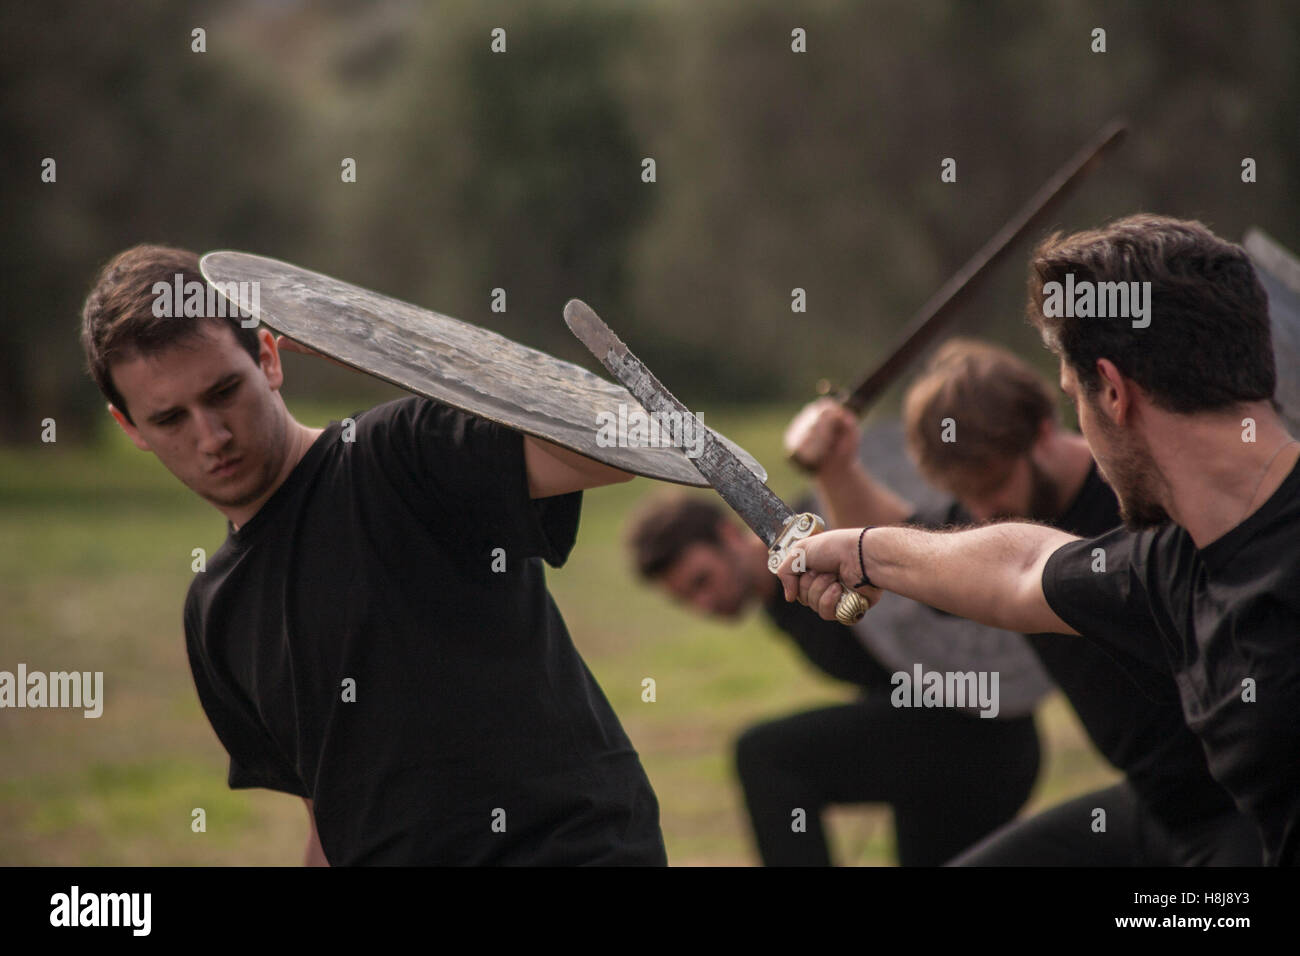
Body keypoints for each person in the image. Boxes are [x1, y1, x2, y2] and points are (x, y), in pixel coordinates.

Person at [79, 244, 665, 865]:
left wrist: (392, 346)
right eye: (170, 419)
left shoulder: (400, 456)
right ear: (131, 429)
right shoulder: (214, 610)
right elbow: (328, 816)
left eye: (224, 391)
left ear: (270, 359)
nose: (211, 436)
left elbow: (621, 446)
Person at [778, 215, 1296, 865]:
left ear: (1111, 391)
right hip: (1160, 809)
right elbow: (1018, 566)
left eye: (1073, 394)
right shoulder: (1171, 559)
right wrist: (860, 545)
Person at [626, 493, 1042, 866]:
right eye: (687, 599)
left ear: (728, 535)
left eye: (702, 580)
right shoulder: (777, 598)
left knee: (766, 757)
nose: (705, 605)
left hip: (982, 734)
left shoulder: (820, 538)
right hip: (945, 746)